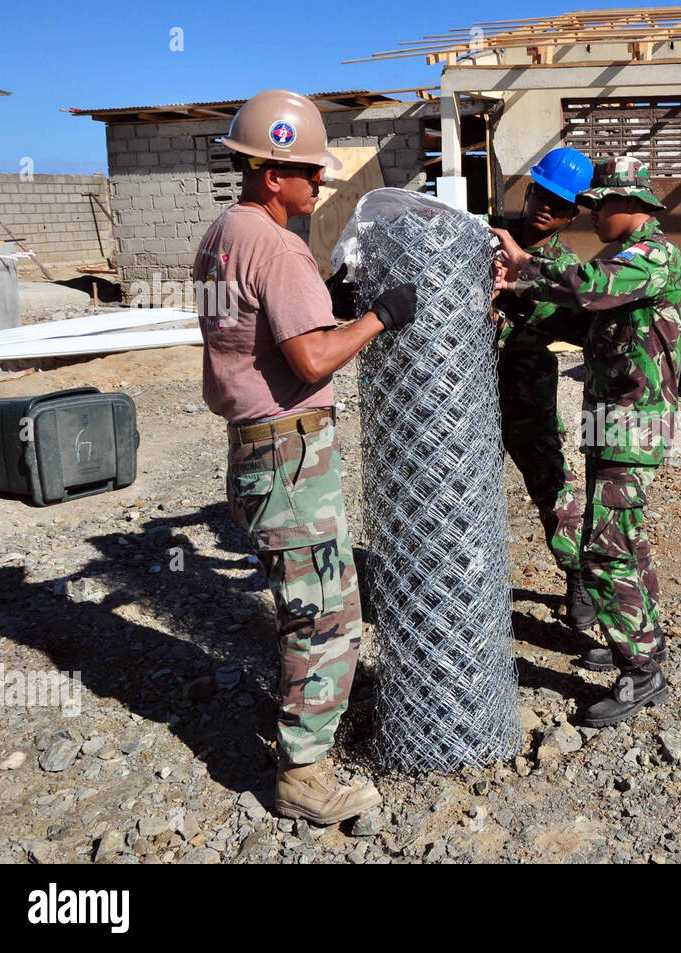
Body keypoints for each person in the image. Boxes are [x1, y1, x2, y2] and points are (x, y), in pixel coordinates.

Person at [192, 89, 417, 825]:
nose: (319, 184)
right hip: (290, 459)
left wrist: (324, 295)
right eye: (310, 174)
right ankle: (304, 773)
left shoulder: (223, 234)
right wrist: (381, 316)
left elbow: (261, 328)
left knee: (303, 603)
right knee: (325, 616)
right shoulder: (279, 244)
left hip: (255, 456)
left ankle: (305, 725)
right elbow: (312, 357)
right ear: (269, 174)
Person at [491, 156, 681, 727]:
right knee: (628, 540)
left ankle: (643, 673)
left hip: (634, 424)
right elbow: (583, 321)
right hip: (610, 420)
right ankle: (641, 642)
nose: (591, 213)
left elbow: (588, 287)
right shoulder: (624, 260)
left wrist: (525, 267)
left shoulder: (653, 256)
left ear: (630, 205)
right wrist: (516, 299)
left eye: (598, 204)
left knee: (604, 547)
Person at [493, 148, 595, 631]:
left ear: (572, 213)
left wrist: (521, 298)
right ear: (529, 189)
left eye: (560, 202)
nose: (547, 206)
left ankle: (575, 576)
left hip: (524, 381)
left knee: (552, 482)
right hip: (458, 385)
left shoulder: (564, 265)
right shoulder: (483, 235)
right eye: (543, 193)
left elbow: (578, 326)